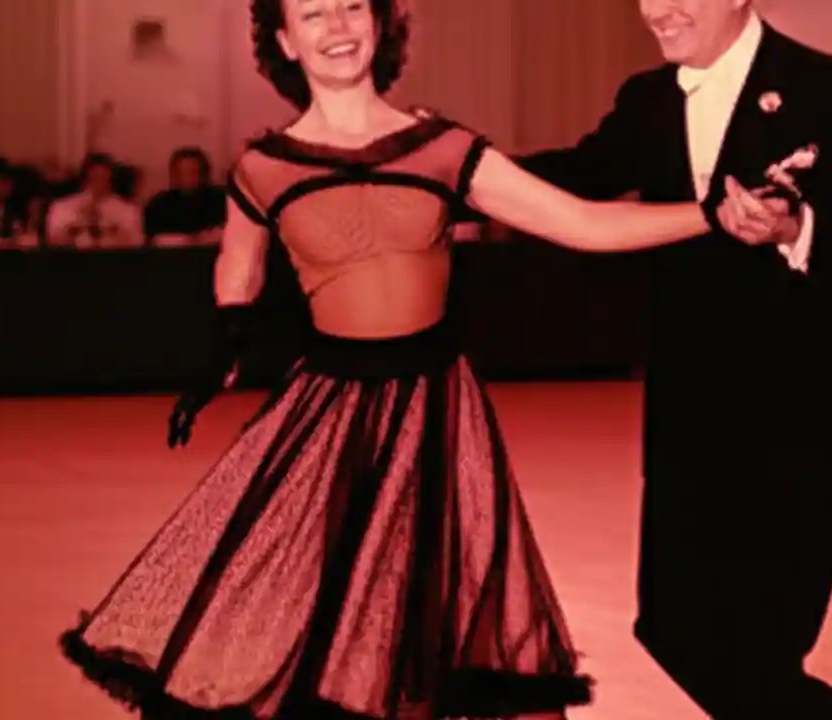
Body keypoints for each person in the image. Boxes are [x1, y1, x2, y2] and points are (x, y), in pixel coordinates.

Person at [57, 1, 771, 718]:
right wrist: (221, 354)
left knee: (430, 611)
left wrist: (712, 214)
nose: (338, 27)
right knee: (323, 617)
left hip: (436, 414)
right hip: (328, 419)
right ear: (285, 41)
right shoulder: (263, 168)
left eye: (352, 7)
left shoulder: (442, 148)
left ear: (380, 23)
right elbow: (238, 271)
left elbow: (581, 223)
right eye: (313, 14)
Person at [520, 1, 832, 718]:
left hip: (807, 426)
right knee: (672, 630)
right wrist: (451, 172)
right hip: (690, 425)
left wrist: (797, 228)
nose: (658, 10)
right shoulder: (647, 99)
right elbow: (577, 177)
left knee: (761, 651)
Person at [144, 147, 227, 245]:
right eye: (182, 172)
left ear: (204, 174)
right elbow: (153, 238)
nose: (187, 178)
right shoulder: (159, 204)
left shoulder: (221, 200)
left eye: (192, 172)